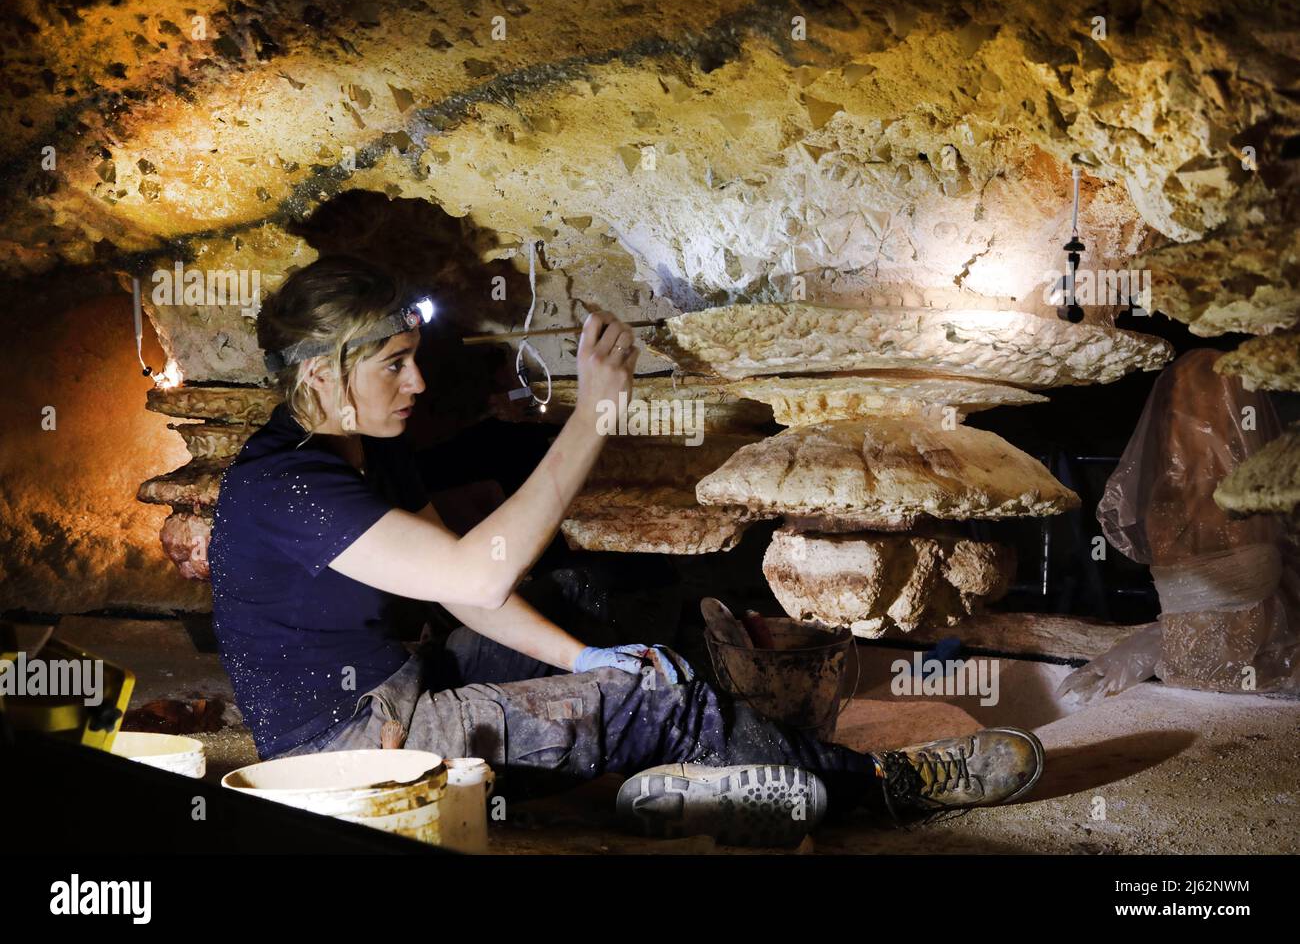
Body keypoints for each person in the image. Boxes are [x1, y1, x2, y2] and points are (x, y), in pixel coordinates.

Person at [209, 255, 1045, 845]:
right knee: (650, 702)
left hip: (406, 688)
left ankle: (705, 784)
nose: (417, 384)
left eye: (413, 360)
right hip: (350, 754)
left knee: (594, 606)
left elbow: (459, 593)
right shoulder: (283, 486)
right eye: (393, 366)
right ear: (319, 375)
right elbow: (478, 570)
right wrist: (593, 416)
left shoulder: (368, 445)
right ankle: (885, 788)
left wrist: (580, 657)